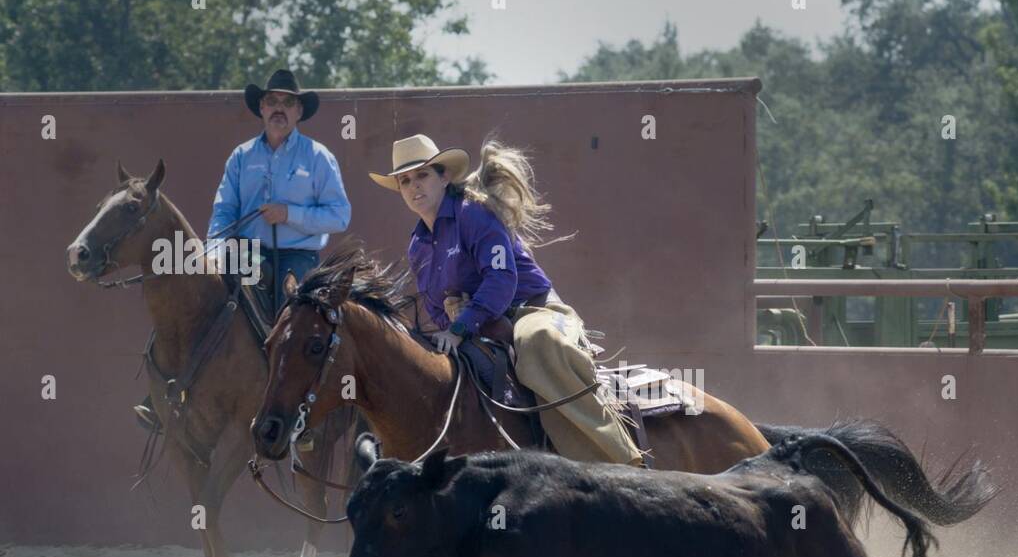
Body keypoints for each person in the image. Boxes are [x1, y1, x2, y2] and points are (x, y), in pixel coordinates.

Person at [369, 133, 645, 466]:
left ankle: (620, 460)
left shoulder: (473, 213)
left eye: (423, 175)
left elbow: (502, 279)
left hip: (535, 309)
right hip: (481, 326)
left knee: (538, 342)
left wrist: (461, 323)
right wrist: (452, 320)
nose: (414, 186)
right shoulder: (417, 246)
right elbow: (435, 307)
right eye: (405, 181)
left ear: (444, 177)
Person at [135, 69, 351, 436]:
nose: (278, 108)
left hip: (296, 256)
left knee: (297, 314)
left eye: (287, 102)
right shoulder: (241, 157)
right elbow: (223, 211)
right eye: (271, 102)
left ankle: (305, 417)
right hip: (247, 251)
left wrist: (290, 214)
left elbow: (339, 215)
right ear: (261, 109)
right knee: (192, 294)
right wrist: (215, 251)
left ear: (299, 111)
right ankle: (160, 396)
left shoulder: (318, 158)